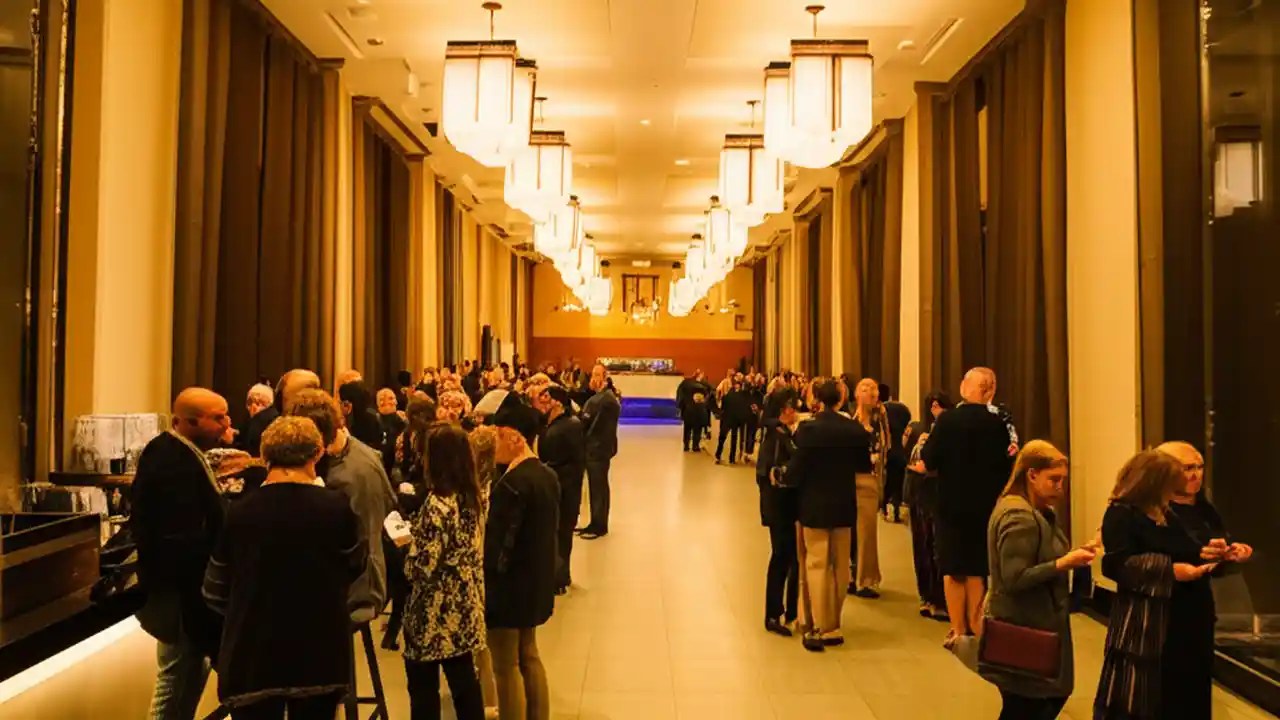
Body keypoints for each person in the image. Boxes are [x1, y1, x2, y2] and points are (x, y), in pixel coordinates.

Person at [202, 416, 366, 720]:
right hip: (320, 652)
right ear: (317, 454)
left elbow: (214, 589)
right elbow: (355, 566)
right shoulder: (336, 508)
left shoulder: (238, 513)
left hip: (251, 655)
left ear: (264, 457)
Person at [1093, 449, 1236, 719]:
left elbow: (1186, 548)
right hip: (1147, 622)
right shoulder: (1121, 513)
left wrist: (1216, 552)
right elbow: (1116, 565)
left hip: (1188, 615)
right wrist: (1169, 571)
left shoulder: (1166, 511)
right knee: (1147, 697)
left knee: (1188, 691)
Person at [131, 388, 231, 720]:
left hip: (187, 597)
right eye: (218, 418)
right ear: (186, 422)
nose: (227, 424)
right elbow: (181, 543)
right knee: (173, 686)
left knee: (186, 679)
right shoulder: (170, 460)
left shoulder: (180, 452)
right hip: (181, 599)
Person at [981, 440, 1096, 720]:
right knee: (1030, 706)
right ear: (1031, 475)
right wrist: (1064, 563)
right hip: (1024, 628)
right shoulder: (1019, 517)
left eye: (1063, 481)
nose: (1060, 488)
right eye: (1054, 480)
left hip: (1035, 624)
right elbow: (1014, 578)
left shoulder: (1039, 511)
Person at [1146, 442, 1253, 717]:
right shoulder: (1151, 511)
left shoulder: (1205, 507)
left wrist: (1232, 552)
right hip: (1161, 610)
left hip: (1199, 607)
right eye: (1187, 468)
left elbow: (1215, 548)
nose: (1196, 474)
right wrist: (1172, 568)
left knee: (1197, 683)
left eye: (1199, 467)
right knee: (1166, 688)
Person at [921, 367, 1018, 645]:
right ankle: (977, 626)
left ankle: (958, 628)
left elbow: (930, 459)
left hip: (951, 502)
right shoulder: (999, 424)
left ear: (971, 388)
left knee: (953, 568)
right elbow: (1008, 463)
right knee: (977, 568)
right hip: (985, 504)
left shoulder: (947, 421)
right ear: (990, 391)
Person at [288, 389, 398, 625]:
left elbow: (355, 545)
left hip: (358, 592)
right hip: (355, 577)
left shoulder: (354, 474)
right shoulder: (349, 454)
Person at [401, 423, 488, 720]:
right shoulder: (473, 497)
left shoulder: (437, 504)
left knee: (423, 689)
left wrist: (405, 549)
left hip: (432, 611)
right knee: (465, 683)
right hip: (464, 602)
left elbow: (422, 567)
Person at [486, 395, 560, 720]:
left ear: (515, 438)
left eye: (498, 436)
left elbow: (500, 545)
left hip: (509, 588)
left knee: (505, 666)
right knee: (529, 655)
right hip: (537, 582)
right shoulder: (546, 476)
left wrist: (487, 582)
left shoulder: (512, 484)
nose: (495, 444)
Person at [785, 379, 865, 652]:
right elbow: (863, 465)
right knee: (841, 565)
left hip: (813, 504)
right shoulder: (854, 430)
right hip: (844, 503)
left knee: (817, 562)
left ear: (817, 398)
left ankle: (819, 624)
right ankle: (835, 623)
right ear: (841, 400)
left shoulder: (807, 430)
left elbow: (796, 470)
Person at [904, 391, 953, 620]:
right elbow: (910, 460)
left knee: (938, 548)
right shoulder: (917, 430)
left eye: (940, 405)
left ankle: (941, 597)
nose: (936, 409)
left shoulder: (952, 431)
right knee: (922, 545)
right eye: (932, 405)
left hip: (941, 492)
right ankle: (927, 595)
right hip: (920, 493)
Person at [756, 389, 801, 637]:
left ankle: (790, 611)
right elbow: (773, 473)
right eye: (792, 407)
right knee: (782, 557)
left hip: (781, 505)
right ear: (784, 410)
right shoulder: (777, 436)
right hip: (780, 505)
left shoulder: (779, 433)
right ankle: (774, 613)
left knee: (789, 558)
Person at [536, 385, 586, 595]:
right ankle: (556, 574)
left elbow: (572, 462)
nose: (541, 403)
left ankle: (559, 577)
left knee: (562, 533)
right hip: (557, 485)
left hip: (565, 489)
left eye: (545, 399)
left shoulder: (570, 426)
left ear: (556, 402)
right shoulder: (552, 424)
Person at [849, 378, 889, 599]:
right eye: (864, 388)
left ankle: (865, 579)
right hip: (849, 478)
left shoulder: (880, 418)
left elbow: (886, 449)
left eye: (873, 388)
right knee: (848, 532)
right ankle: (849, 575)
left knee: (866, 532)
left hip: (869, 480)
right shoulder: (849, 419)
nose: (869, 392)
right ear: (856, 394)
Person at [577, 364, 620, 540]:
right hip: (599, 449)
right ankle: (595, 521)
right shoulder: (603, 399)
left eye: (596, 375)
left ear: (604, 377)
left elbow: (589, 425)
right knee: (597, 488)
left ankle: (599, 525)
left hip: (597, 450)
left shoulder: (603, 400)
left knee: (598, 488)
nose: (593, 379)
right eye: (592, 374)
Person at [878, 384, 911, 523]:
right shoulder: (902, 409)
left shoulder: (880, 411)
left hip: (887, 452)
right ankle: (897, 511)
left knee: (887, 482)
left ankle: (884, 508)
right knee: (898, 482)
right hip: (899, 451)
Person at [716, 375, 752, 465]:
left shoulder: (727, 395)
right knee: (734, 438)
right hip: (737, 420)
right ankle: (731, 458)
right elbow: (745, 408)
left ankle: (718, 454)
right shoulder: (743, 396)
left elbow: (723, 407)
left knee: (722, 438)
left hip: (727, 419)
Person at [339, 380, 384, 451]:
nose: (340, 406)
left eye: (341, 402)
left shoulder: (367, 420)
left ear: (347, 404)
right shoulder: (371, 415)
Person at [236, 383, 278, 457]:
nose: (253, 407)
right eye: (250, 402)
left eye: (260, 403)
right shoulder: (247, 421)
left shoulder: (266, 419)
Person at [376, 388, 407, 473]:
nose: (395, 402)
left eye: (394, 399)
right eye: (391, 399)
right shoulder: (374, 422)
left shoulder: (402, 421)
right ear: (381, 402)